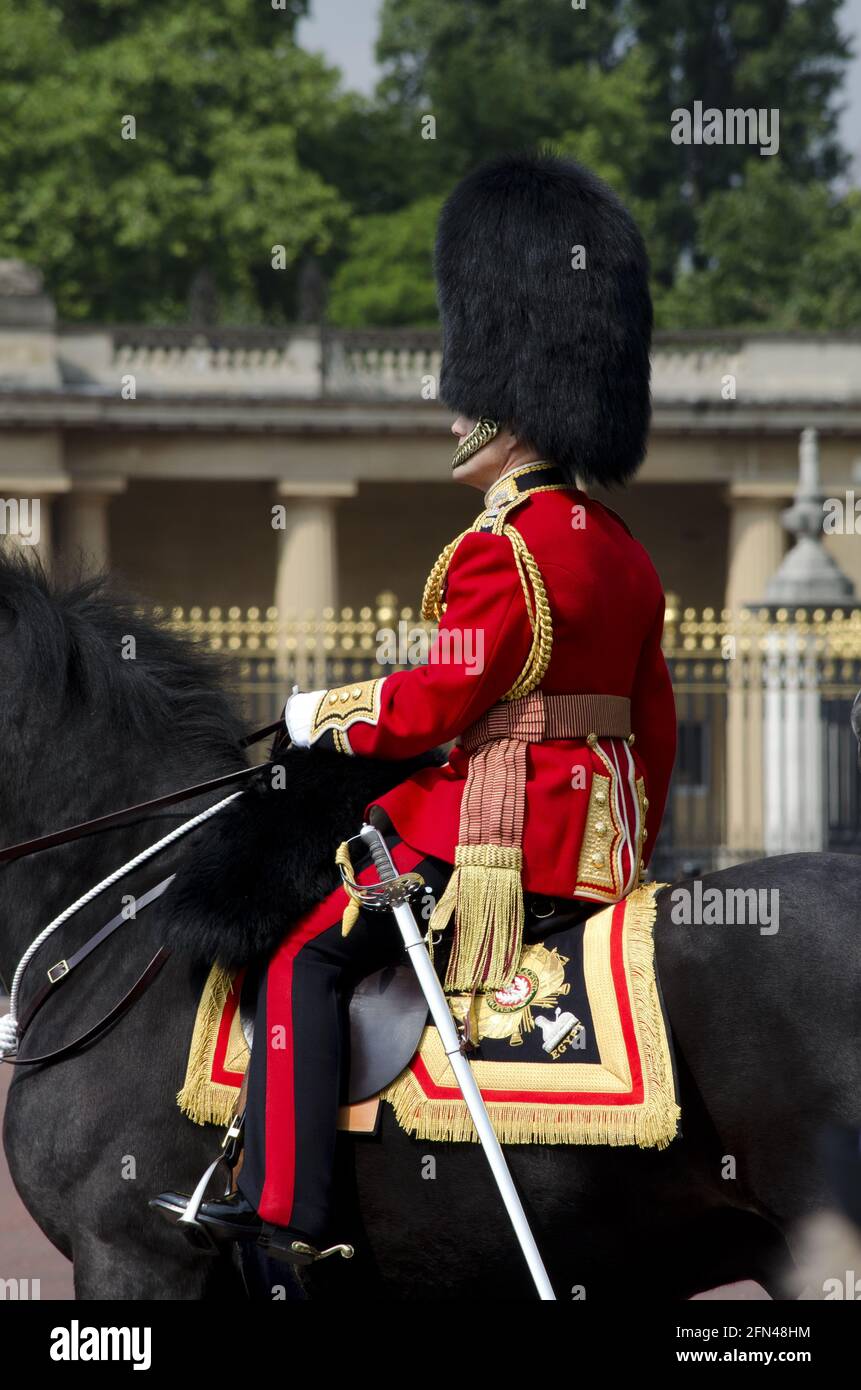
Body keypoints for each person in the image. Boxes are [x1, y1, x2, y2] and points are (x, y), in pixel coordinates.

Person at [153, 151, 677, 1263]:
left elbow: (434, 700)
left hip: (492, 843)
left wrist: (318, 713)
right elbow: (657, 729)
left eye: (470, 400)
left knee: (301, 956)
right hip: (594, 849)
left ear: (518, 406)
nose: (454, 419)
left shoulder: (503, 548)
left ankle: (287, 1205)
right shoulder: (623, 555)